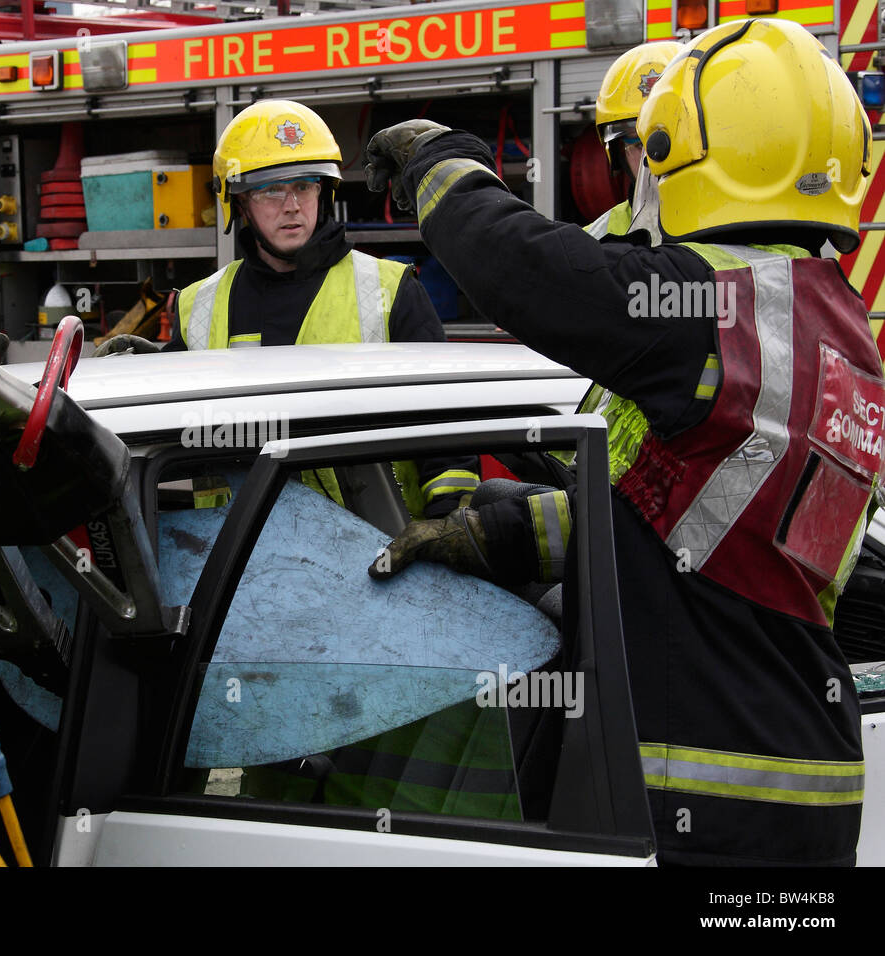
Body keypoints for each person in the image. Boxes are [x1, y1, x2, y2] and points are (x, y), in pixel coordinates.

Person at [363, 19, 879, 865]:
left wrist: (438, 161)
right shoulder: (832, 321)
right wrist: (491, 534)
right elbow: (691, 524)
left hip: (710, 805)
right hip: (805, 791)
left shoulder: (711, 314)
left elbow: (528, 269)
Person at [166, 99, 480, 516]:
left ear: (324, 191)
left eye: (304, 185)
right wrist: (134, 373)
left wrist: (450, 523)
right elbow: (174, 432)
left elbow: (449, 431)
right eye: (270, 189)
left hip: (375, 550)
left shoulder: (391, 291)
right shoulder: (197, 305)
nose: (292, 205)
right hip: (234, 555)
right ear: (238, 202)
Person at [587, 40, 683, 239]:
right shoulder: (593, 241)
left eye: (668, 139)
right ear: (617, 151)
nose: (655, 157)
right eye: (639, 144)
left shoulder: (742, 229)